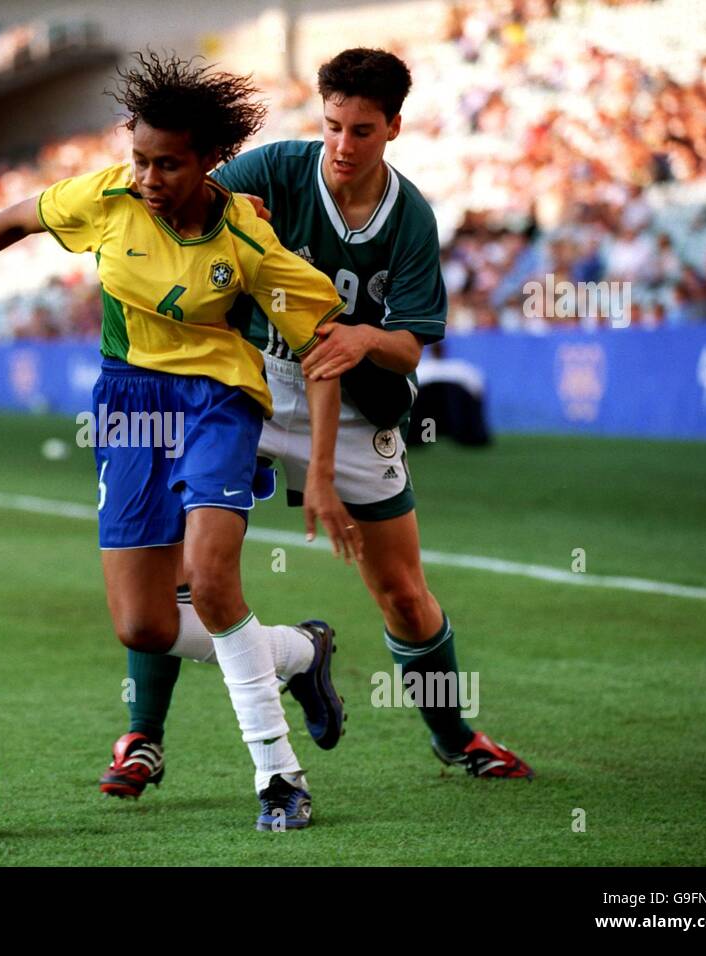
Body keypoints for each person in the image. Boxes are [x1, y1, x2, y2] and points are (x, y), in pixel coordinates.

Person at [0, 51, 368, 830]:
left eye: (169, 164)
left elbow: (325, 351)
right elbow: (8, 222)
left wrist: (323, 476)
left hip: (218, 402)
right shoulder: (105, 197)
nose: (150, 177)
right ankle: (300, 653)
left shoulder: (248, 240)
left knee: (211, 572)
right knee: (145, 627)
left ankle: (278, 776)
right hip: (128, 403)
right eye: (140, 158)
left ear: (208, 163)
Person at [106, 47, 533, 789]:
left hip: (355, 403)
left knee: (400, 589)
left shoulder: (410, 218)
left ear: (394, 127)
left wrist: (366, 336)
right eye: (332, 125)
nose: (342, 145)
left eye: (362, 131)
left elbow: (408, 348)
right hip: (242, 386)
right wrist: (224, 213)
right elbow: (179, 197)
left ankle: (455, 736)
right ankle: (143, 735)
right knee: (181, 568)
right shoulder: (273, 170)